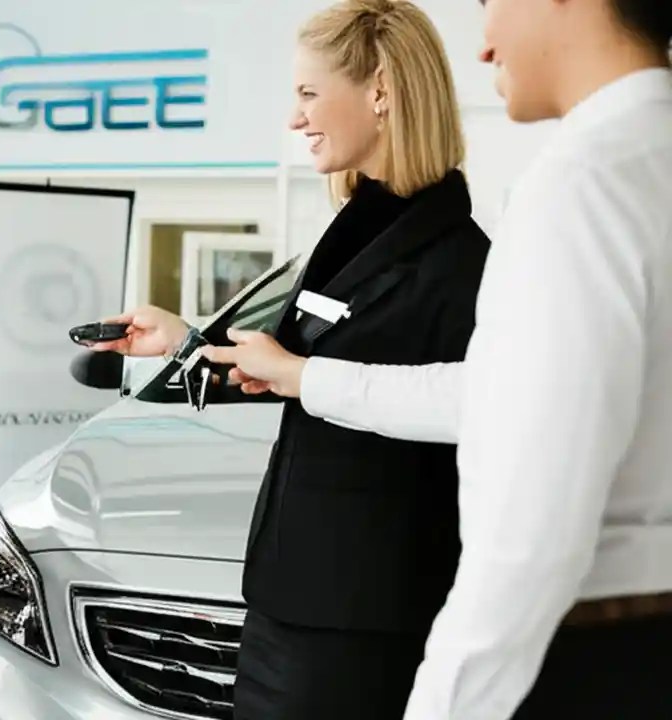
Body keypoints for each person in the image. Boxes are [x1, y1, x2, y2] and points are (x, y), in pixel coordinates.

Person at [206, 1, 672, 718]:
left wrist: (445, 703)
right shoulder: (629, 165)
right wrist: (292, 374)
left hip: (573, 644)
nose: (483, 46)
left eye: (490, 2)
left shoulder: (583, 182)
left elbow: (531, 506)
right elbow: (489, 395)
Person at [91, 1, 488, 717]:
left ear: (380, 92)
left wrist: (298, 374)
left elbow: (464, 410)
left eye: (308, 94)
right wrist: (185, 342)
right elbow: (290, 368)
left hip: (362, 618)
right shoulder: (356, 227)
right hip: (290, 596)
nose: (294, 118)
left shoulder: (462, 264)